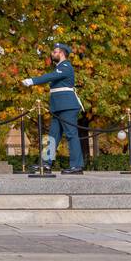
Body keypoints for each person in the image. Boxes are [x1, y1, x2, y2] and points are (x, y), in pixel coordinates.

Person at [22, 43, 84, 174]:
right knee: (52, 137)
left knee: (71, 135)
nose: (52, 54)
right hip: (58, 107)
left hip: (67, 106)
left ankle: (77, 166)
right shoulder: (59, 68)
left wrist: (32, 81)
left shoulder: (66, 66)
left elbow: (51, 76)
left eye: (55, 52)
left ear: (61, 53)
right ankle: (45, 164)